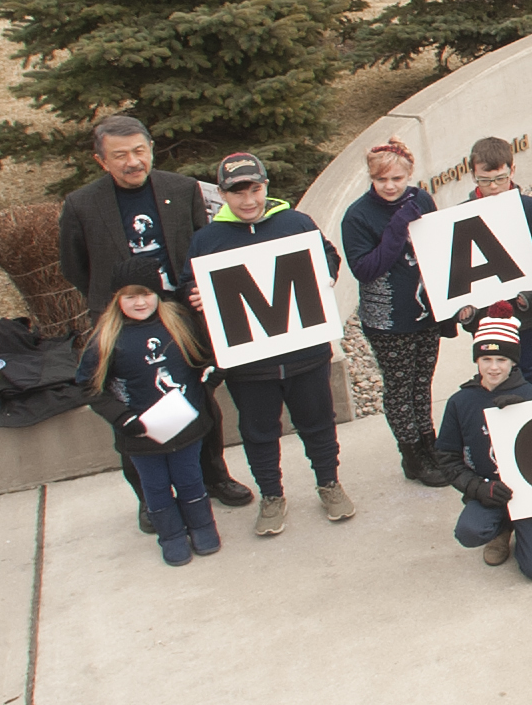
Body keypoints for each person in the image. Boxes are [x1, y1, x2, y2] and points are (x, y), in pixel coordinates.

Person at [57, 114, 249, 514]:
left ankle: (213, 475)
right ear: (101, 160)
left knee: (200, 397)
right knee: (133, 403)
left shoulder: (180, 189)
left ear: (151, 150)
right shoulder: (81, 205)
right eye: (120, 155)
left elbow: (202, 248)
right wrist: (115, 305)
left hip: (180, 316)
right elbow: (75, 266)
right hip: (122, 317)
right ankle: (151, 498)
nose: (133, 162)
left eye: (139, 151)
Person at [187, 152, 352, 537]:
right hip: (249, 366)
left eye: (255, 189)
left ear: (266, 187)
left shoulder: (295, 223)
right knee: (259, 433)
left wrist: (325, 272)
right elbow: (187, 283)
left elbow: (328, 254)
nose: (248, 201)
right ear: (223, 195)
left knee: (319, 425)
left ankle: (329, 483)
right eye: (237, 192)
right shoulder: (207, 240)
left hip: (306, 356)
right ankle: (271, 496)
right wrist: (192, 294)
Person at [85, 259, 220, 567]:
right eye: (130, 295)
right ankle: (171, 536)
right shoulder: (106, 338)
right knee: (155, 486)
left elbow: (203, 361)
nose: (139, 302)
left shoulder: (180, 324)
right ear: (116, 299)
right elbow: (89, 387)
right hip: (141, 434)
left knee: (190, 478)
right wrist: (121, 418)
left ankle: (202, 526)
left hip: (186, 427)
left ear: (159, 293)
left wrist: (211, 377)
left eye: (146, 293)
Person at [342, 139, 443, 485]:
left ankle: (430, 444)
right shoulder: (357, 216)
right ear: (371, 177)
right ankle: (412, 456)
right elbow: (365, 269)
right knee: (399, 386)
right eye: (381, 179)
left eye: (397, 179)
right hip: (387, 319)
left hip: (424, 312)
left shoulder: (421, 199)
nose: (390, 186)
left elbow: (439, 246)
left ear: (409, 175)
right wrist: (397, 230)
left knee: (422, 383)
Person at [437, 313, 532, 581]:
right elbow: (447, 457)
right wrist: (479, 488)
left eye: (501, 359)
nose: (493, 368)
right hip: (489, 490)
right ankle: (501, 527)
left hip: (530, 491)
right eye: (486, 359)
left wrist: (524, 412)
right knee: (469, 531)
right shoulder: (460, 401)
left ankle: (523, 524)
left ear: (513, 361)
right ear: (476, 359)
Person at [462, 137, 532, 387]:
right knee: (492, 376)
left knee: (527, 374)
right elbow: (457, 269)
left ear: (512, 170)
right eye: (485, 180)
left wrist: (530, 293)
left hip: (526, 313)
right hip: (484, 317)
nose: (494, 187)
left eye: (501, 178)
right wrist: (463, 306)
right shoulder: (461, 215)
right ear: (473, 174)